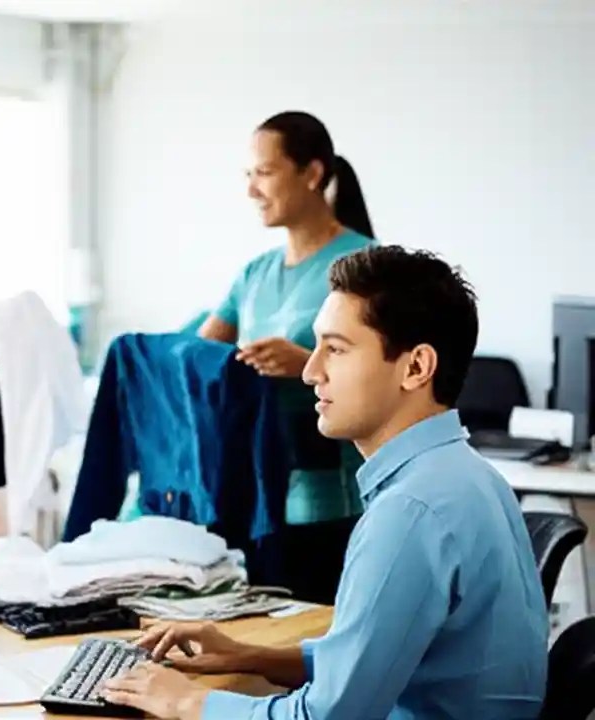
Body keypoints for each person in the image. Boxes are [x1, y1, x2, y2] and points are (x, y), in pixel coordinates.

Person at [102, 246, 549, 719]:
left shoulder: (411, 511)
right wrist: (251, 656)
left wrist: (187, 701)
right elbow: (384, 655)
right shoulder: (468, 476)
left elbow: (324, 717)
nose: (312, 371)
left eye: (335, 349)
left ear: (416, 367)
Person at [197, 110, 376, 603]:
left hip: (332, 509)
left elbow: (387, 379)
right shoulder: (253, 274)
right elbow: (197, 356)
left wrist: (305, 365)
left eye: (265, 172)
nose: (252, 189)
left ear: (312, 174)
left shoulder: (365, 266)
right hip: (260, 502)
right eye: (248, 175)